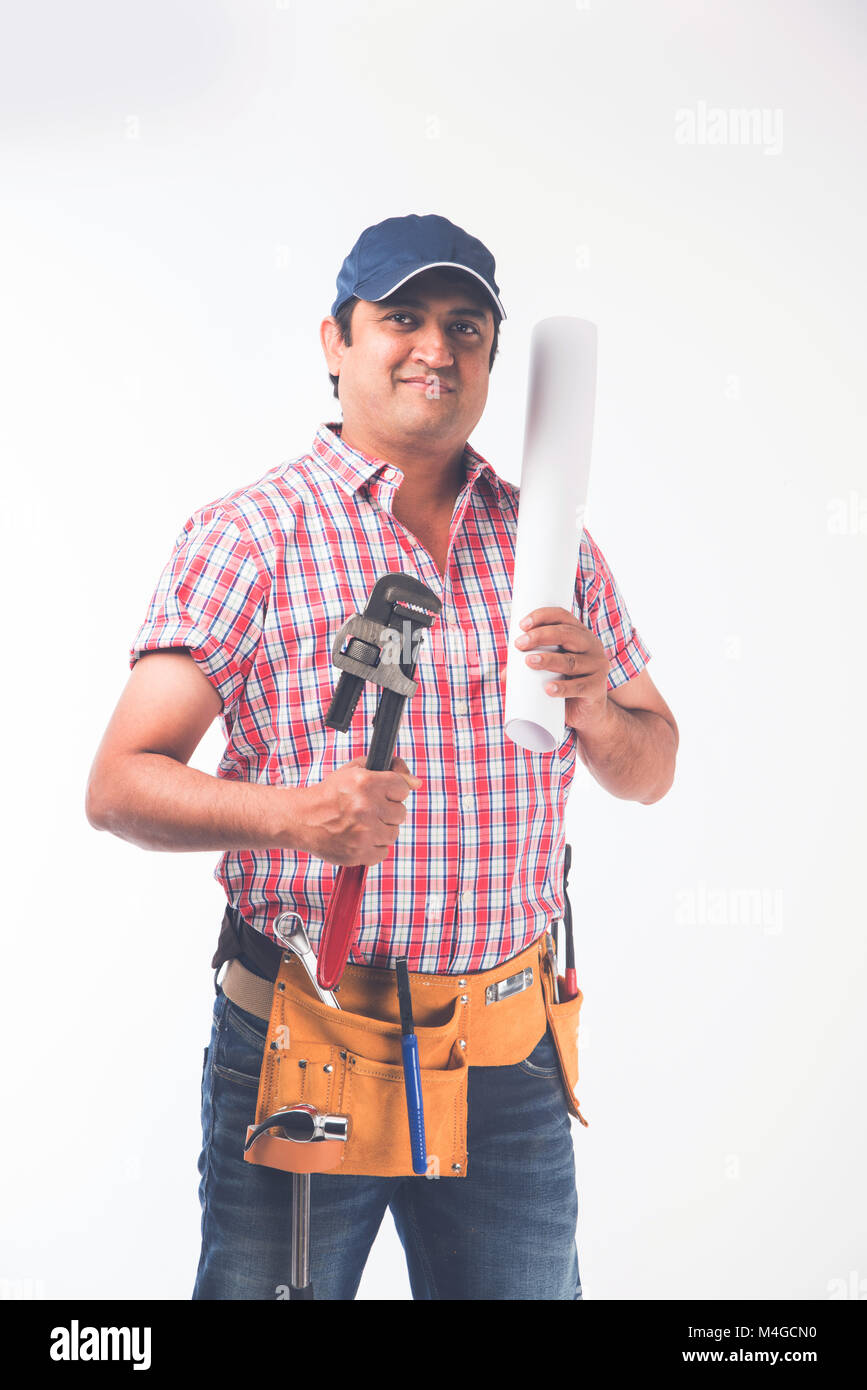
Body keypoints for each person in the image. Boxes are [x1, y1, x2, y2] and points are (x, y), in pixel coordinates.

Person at [85, 212, 679, 1300]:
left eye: (466, 326)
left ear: (494, 357)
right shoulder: (252, 535)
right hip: (310, 1034)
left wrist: (598, 707)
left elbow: (654, 765)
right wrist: (293, 815)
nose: (436, 349)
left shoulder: (551, 539)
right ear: (335, 341)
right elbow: (119, 782)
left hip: (510, 1056)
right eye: (401, 318)